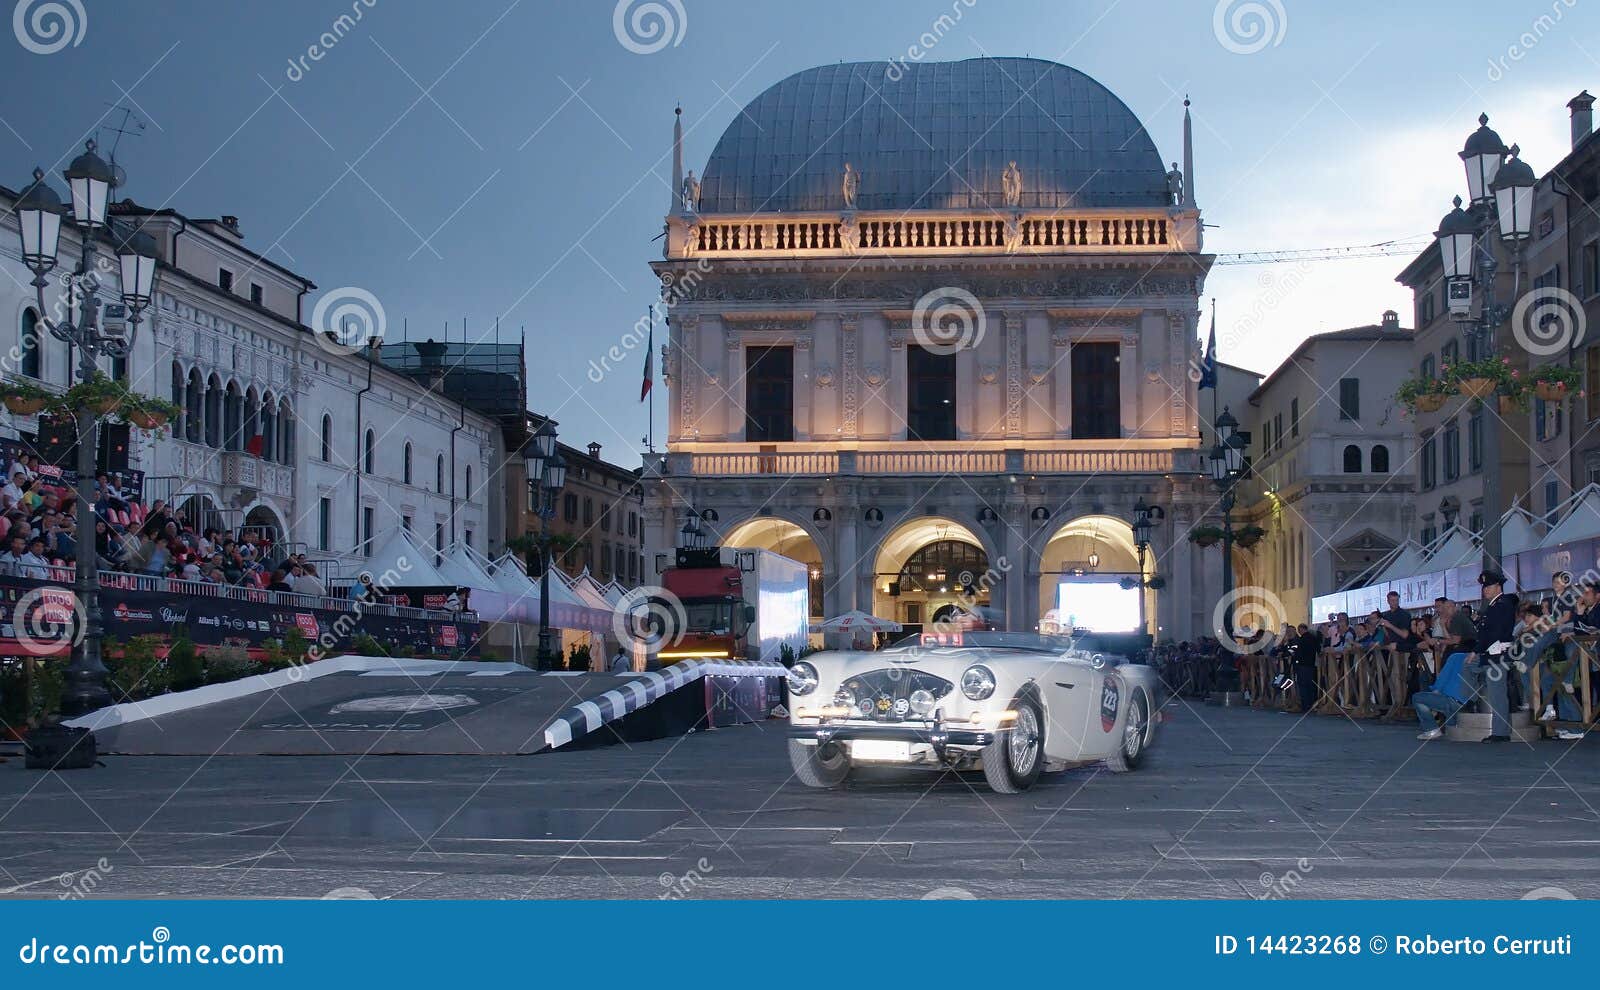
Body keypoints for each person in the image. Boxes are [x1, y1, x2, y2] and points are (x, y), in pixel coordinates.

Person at [1470, 570, 1520, 743]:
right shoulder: (1495, 605)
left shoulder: (1502, 604)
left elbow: (1494, 633)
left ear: (1498, 587)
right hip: (1490, 653)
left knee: (1497, 694)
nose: (1485, 589)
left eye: (1489, 586)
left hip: (1497, 654)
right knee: (1465, 667)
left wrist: (1477, 650)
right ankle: (1468, 698)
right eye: (1484, 586)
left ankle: (1501, 732)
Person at [1413, 649, 1476, 740]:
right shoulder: (1478, 660)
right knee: (1451, 729)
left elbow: (1442, 680)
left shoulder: (1455, 657)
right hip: (1469, 705)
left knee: (1417, 698)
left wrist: (1435, 692)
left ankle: (1432, 730)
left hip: (1451, 702)